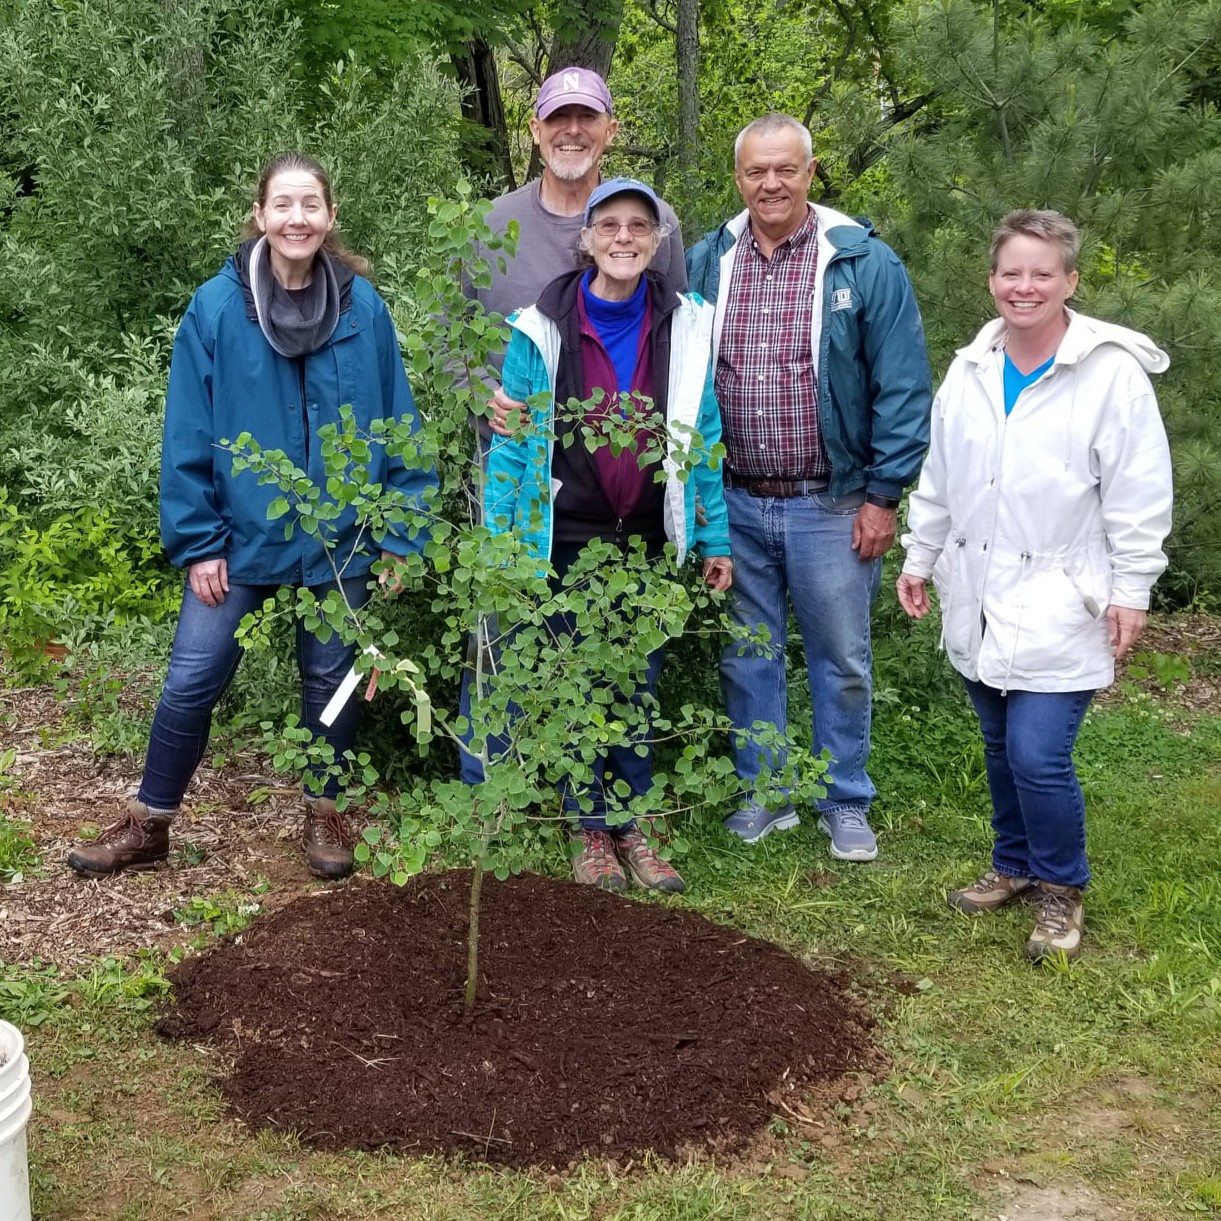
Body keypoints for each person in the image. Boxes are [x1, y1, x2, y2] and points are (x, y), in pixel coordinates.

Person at [67, 153, 435, 882]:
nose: (296, 219)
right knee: (191, 679)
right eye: (282, 205)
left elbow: (400, 420)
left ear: (330, 217)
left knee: (330, 677)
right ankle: (150, 821)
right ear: (260, 215)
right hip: (237, 539)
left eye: (310, 205)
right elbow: (188, 431)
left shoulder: (364, 307)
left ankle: (323, 812)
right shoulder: (216, 307)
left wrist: (399, 531)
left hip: (340, 540)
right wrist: (199, 540)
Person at [897, 209, 1173, 962]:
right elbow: (940, 476)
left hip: (1063, 589)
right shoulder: (971, 366)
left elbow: (1138, 492)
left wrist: (1132, 589)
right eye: (1010, 272)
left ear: (1069, 282)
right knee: (996, 740)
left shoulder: (1108, 372)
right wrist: (918, 557)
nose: (1024, 287)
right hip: (979, 584)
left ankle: (1060, 891)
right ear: (991, 280)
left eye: (1041, 273)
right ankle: (1012, 864)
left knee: (1037, 751)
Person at [685, 114, 932, 861]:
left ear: (810, 172)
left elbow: (902, 385)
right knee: (747, 655)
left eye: (785, 169)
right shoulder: (707, 261)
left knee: (842, 657)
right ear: (738, 178)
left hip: (832, 499)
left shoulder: (860, 262)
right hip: (735, 498)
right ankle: (763, 793)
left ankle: (843, 797)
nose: (770, 183)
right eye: (756, 171)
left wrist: (884, 494)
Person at [484, 177, 732, 895]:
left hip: (647, 539)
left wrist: (712, 536)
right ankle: (587, 826)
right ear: (586, 238)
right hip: (566, 537)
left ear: (656, 242)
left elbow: (703, 432)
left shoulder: (684, 322)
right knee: (573, 680)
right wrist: (502, 540)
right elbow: (513, 443)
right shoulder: (540, 325)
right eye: (610, 226)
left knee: (634, 685)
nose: (624, 238)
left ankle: (634, 822)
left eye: (638, 227)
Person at [457, 68, 688, 787]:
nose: (572, 131)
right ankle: (491, 791)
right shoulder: (492, 226)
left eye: (588, 117)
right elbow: (446, 337)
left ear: (610, 131)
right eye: (558, 118)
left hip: (618, 491)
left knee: (609, 645)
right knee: (503, 634)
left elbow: (674, 335)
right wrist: (479, 393)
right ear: (534, 129)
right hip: (517, 479)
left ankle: (589, 793)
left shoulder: (656, 224)